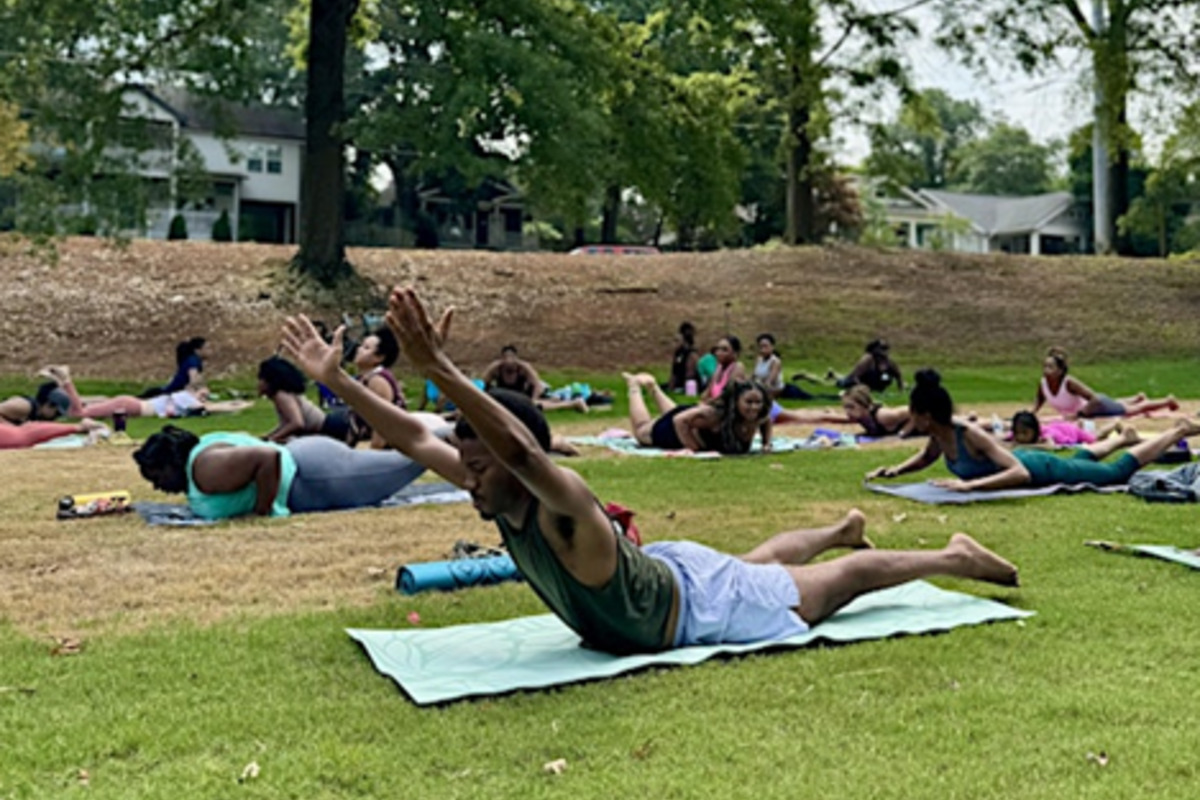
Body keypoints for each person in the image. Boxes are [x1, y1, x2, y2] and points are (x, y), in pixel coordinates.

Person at [278, 289, 1019, 656]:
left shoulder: (558, 502)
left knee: (835, 585)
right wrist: (338, 382)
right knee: (751, 563)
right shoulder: (492, 487)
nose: (465, 478)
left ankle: (952, 555)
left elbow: (522, 454)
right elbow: (412, 434)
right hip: (669, 572)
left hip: (696, 607)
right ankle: (837, 528)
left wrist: (440, 367)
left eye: (477, 466)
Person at [867, 369, 1200, 492]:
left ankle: (1176, 432)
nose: (908, 418)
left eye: (912, 413)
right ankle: (1120, 438)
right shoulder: (938, 436)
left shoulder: (968, 434)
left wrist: (972, 488)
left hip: (1042, 468)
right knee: (1085, 458)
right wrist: (895, 470)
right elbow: (926, 458)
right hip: (1041, 464)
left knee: (1113, 474)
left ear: (925, 415)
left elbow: (1020, 472)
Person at [132, 420, 444, 521]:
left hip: (316, 476)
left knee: (414, 458)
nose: (158, 487)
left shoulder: (205, 469)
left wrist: (266, 509)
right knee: (413, 456)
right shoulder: (202, 458)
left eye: (157, 478)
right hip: (311, 465)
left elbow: (266, 458)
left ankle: (465, 433)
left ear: (172, 463)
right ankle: (460, 435)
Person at [624, 372, 772, 454]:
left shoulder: (758, 415)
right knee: (641, 430)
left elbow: (766, 420)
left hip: (691, 417)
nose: (754, 408)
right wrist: (693, 448)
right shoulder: (715, 415)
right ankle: (634, 386)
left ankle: (653, 388)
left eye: (758, 402)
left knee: (676, 411)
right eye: (749, 402)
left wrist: (766, 443)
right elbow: (679, 420)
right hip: (675, 431)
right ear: (735, 402)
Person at [37, 366, 251, 421]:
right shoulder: (185, 398)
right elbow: (212, 409)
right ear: (192, 391)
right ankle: (65, 379)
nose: (204, 397)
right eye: (202, 394)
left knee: (80, 413)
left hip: (132, 405)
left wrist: (237, 404)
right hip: (134, 406)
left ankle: (62, 380)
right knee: (79, 414)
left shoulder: (182, 398)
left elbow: (211, 407)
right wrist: (240, 406)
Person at [1033, 347, 1178, 419]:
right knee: (1117, 404)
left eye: (1051, 367)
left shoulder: (1069, 383)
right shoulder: (1043, 383)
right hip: (1092, 409)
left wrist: (1078, 415)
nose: (1046, 370)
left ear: (1060, 370)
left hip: (1097, 407)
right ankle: (1136, 398)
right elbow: (1040, 400)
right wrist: (1033, 412)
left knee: (1130, 411)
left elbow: (1094, 398)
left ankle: (1167, 401)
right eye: (1044, 367)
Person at [330, 327, 407, 448]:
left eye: (366, 348)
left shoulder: (378, 382)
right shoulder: (365, 378)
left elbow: (383, 425)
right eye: (361, 345)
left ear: (379, 357)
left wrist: (372, 453)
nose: (359, 349)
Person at [258, 356, 343, 442]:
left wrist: (272, 439)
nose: (258, 384)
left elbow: (297, 423)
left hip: (329, 430)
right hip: (326, 429)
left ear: (270, 381)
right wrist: (269, 436)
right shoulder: (283, 395)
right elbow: (286, 424)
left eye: (261, 379)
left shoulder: (282, 396)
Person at [0, 383, 108, 449]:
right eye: (56, 413)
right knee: (22, 436)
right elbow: (25, 433)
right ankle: (80, 427)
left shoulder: (39, 412)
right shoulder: (22, 406)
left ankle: (79, 427)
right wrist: (14, 430)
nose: (56, 417)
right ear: (48, 404)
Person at [783, 385, 912, 437]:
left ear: (864, 406)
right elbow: (831, 418)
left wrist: (903, 432)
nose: (847, 411)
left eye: (851, 407)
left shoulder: (884, 415)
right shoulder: (860, 417)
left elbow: (918, 410)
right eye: (845, 407)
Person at [1008, 411, 1127, 448]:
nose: (1020, 437)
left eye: (1025, 433)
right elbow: (1001, 438)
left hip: (1071, 431)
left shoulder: (1046, 434)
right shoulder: (1015, 435)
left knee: (1096, 438)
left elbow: (1050, 446)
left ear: (1035, 431)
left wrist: (1020, 446)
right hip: (1059, 426)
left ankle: (1114, 423)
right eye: (1018, 433)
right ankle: (1082, 424)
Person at [140, 337, 208, 398]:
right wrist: (198, 393)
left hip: (170, 391)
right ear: (197, 350)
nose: (210, 351)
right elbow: (193, 380)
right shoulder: (193, 361)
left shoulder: (193, 360)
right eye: (207, 348)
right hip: (171, 393)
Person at [830, 339, 903, 393]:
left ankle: (833, 375)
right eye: (882, 349)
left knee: (886, 376)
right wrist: (861, 390)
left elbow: (898, 375)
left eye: (885, 349)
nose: (884, 352)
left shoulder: (888, 361)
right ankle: (834, 376)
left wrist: (900, 390)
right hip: (856, 382)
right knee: (843, 382)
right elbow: (856, 376)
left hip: (874, 384)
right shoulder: (868, 359)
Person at [702, 336, 747, 402]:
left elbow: (727, 394)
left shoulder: (738, 367)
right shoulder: (719, 367)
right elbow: (709, 390)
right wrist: (702, 400)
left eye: (724, 350)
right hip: (712, 405)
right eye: (718, 349)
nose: (718, 353)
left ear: (735, 353)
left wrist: (709, 402)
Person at [666, 322, 699, 393]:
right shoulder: (677, 353)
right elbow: (674, 372)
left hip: (687, 385)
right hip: (678, 383)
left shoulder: (691, 354)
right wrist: (670, 386)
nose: (674, 344)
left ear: (684, 341)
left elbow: (690, 374)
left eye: (677, 341)